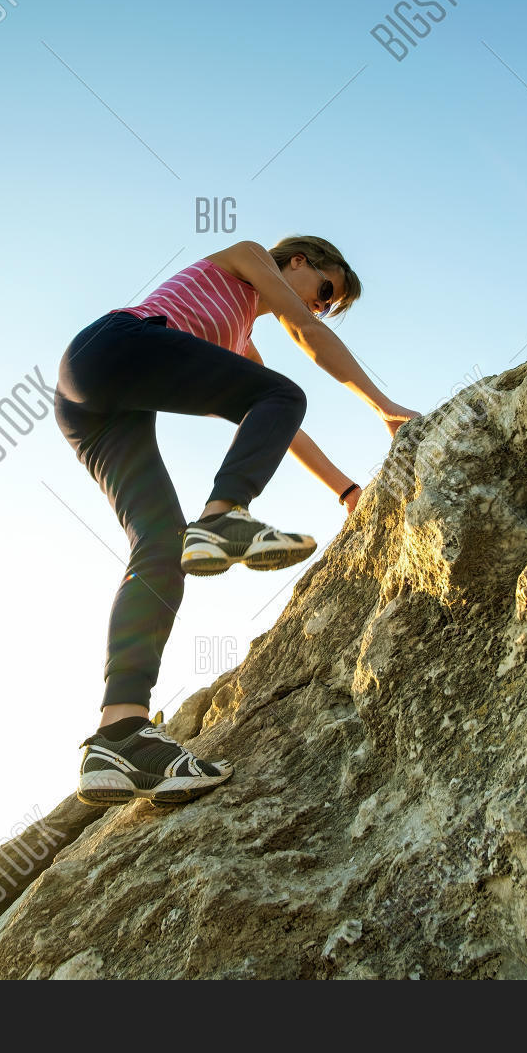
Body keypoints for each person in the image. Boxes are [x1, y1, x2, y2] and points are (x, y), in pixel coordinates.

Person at [54, 235, 420, 806]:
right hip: (116, 344)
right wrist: (385, 407)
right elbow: (305, 335)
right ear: (299, 259)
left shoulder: (242, 342)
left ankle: (117, 736)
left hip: (88, 398)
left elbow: (281, 423)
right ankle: (222, 519)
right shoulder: (244, 257)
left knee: (160, 548)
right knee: (281, 393)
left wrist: (345, 489)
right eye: (325, 290)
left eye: (330, 305)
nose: (321, 307)